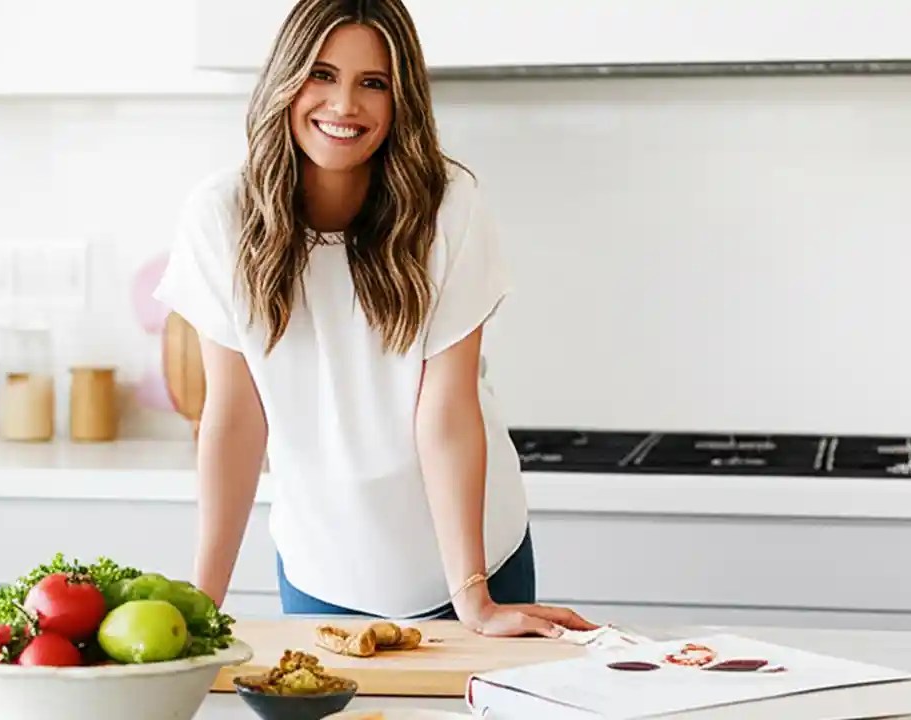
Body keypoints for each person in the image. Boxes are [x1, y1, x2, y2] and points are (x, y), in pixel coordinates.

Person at [154, 0, 597, 638]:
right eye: (322, 74)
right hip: (325, 569)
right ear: (286, 78)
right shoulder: (219, 216)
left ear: (400, 99)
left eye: (373, 83)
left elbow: (445, 410)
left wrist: (474, 597)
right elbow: (235, 415)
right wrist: (202, 604)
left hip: (474, 562)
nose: (343, 105)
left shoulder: (448, 205)